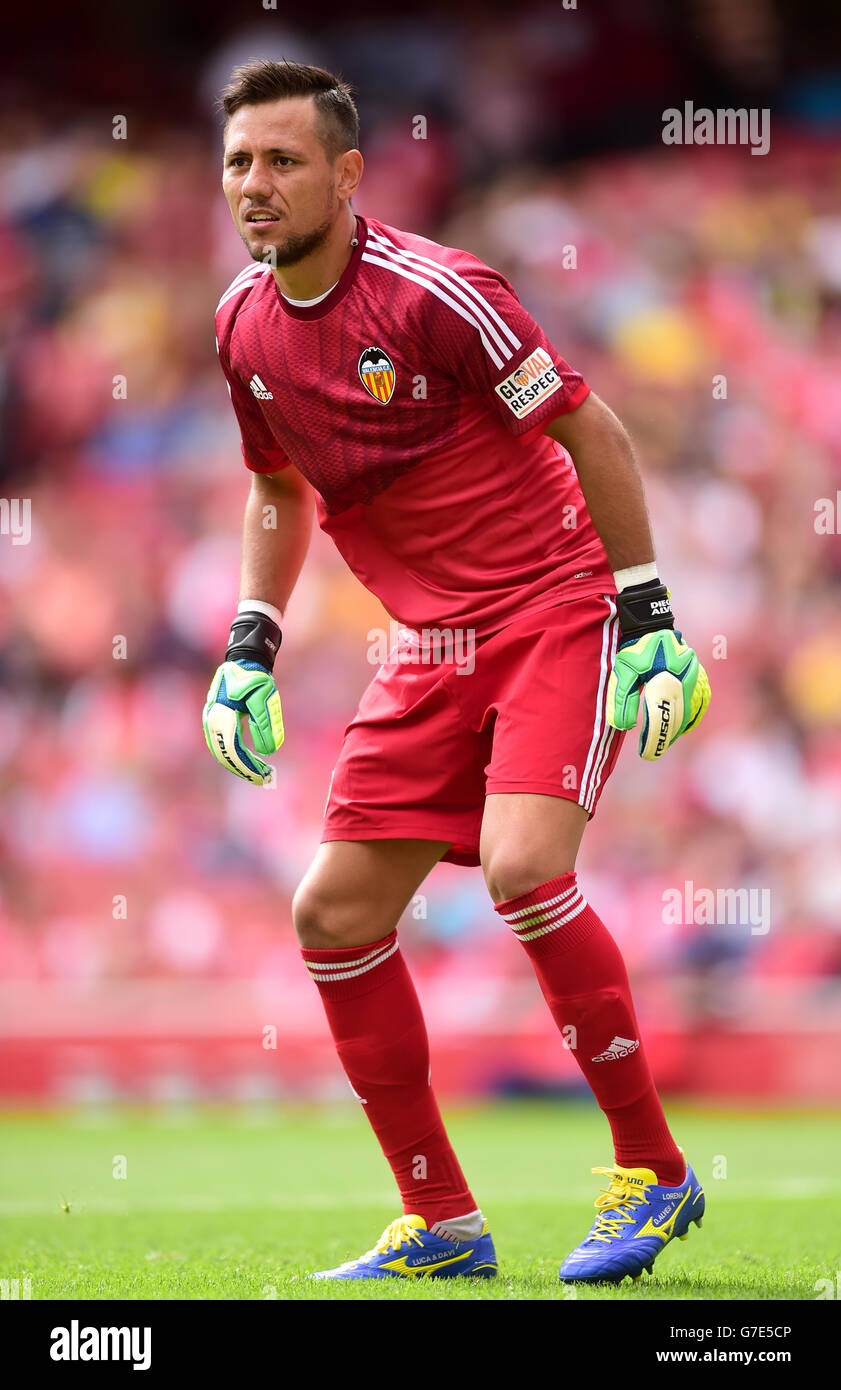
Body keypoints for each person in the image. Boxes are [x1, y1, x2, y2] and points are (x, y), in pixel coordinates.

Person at [203, 59, 710, 1283]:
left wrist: (647, 613)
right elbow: (277, 486)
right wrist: (249, 641)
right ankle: (442, 1218)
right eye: (237, 163)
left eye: (281, 160)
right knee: (331, 914)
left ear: (346, 173)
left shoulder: (437, 292)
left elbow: (589, 423)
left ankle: (655, 1172)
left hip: (554, 605)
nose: (255, 185)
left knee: (525, 867)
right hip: (430, 643)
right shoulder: (240, 325)